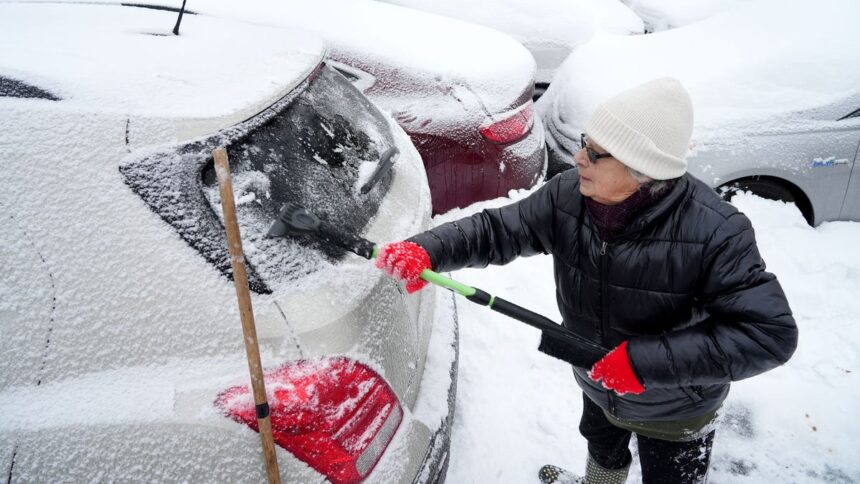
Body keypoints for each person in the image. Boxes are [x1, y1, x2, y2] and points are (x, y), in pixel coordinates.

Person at [374, 77, 798, 483]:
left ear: (643, 170)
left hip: (676, 407)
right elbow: (498, 231)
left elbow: (769, 334)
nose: (580, 159)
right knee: (602, 446)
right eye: (584, 145)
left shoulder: (716, 232)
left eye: (597, 154)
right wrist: (429, 249)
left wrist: (642, 364)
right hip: (596, 376)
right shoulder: (568, 195)